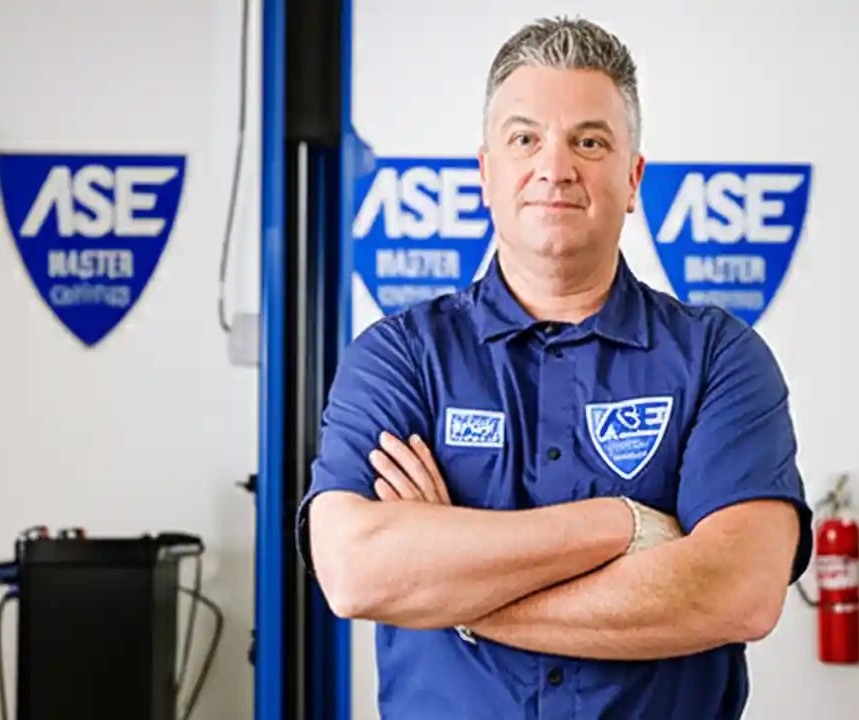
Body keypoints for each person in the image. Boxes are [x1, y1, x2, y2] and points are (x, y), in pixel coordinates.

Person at [298, 15, 813, 719]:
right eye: (525, 139)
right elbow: (355, 570)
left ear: (633, 178)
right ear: (486, 172)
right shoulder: (401, 357)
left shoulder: (720, 358)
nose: (555, 166)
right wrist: (623, 525)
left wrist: (457, 592)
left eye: (590, 142)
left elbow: (740, 591)